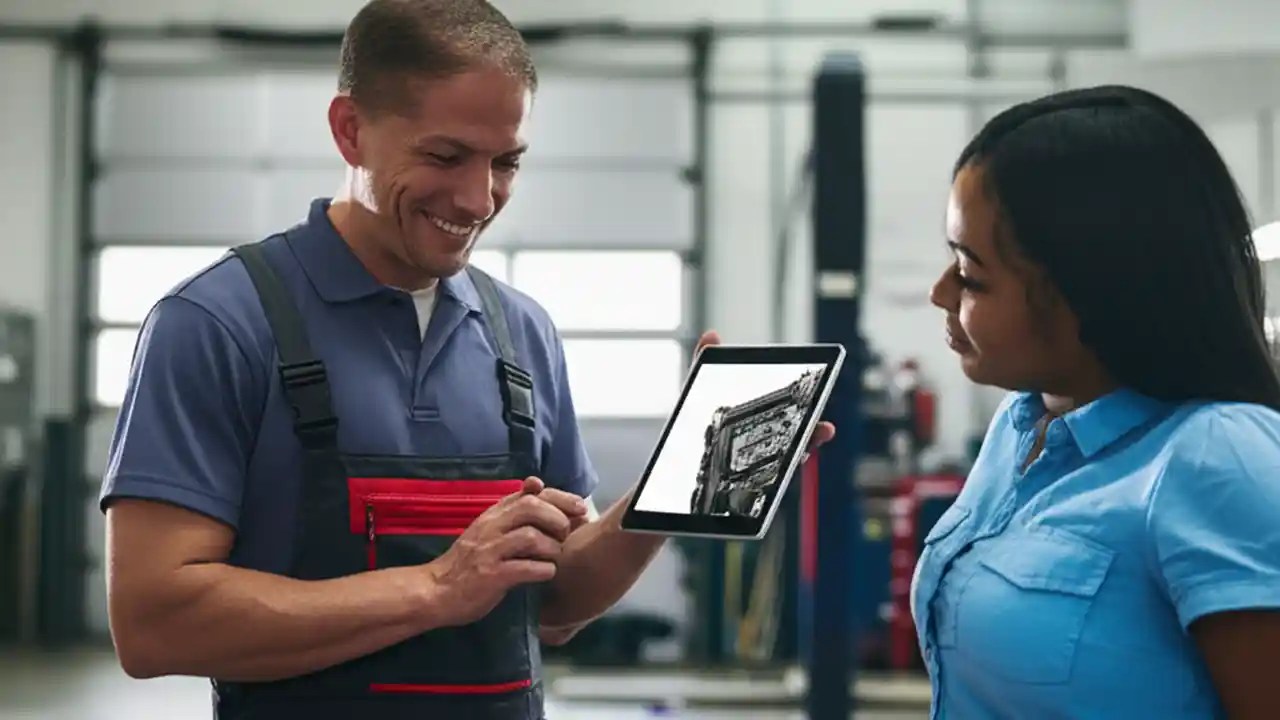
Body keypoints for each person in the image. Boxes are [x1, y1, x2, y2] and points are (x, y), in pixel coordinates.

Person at [96, 2, 834, 719]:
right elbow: (156, 623)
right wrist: (436, 587)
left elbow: (549, 608)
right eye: (445, 156)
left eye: (506, 162)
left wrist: (684, 487)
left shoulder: (522, 335)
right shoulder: (217, 324)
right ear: (351, 131)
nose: (479, 198)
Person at [918, 84, 1280, 719]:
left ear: (1086, 289)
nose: (940, 293)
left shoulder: (1217, 456)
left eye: (971, 274)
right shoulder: (1022, 424)